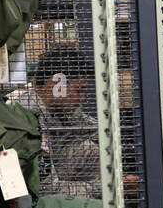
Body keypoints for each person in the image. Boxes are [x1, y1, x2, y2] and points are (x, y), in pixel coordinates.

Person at [8, 43, 99, 197]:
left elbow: (89, 125)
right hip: (31, 190)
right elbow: (48, 189)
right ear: (56, 83)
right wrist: (104, 189)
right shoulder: (28, 116)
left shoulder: (59, 106)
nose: (82, 98)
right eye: (79, 90)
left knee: (91, 149)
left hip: (56, 163)